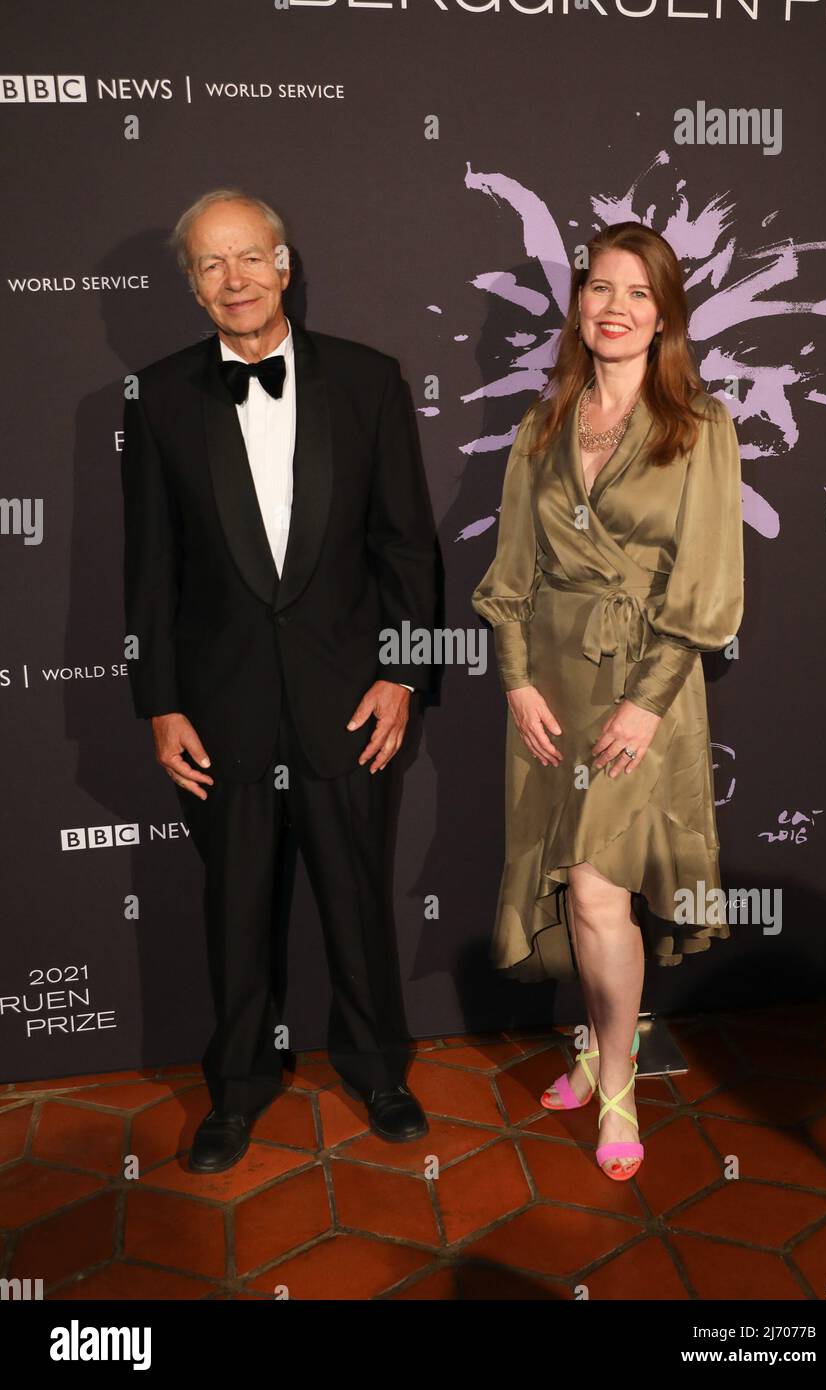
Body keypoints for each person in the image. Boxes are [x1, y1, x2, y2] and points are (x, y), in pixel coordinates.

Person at [120, 188, 437, 1172]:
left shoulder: (367, 379)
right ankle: (240, 1085)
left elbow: (405, 546)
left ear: (284, 266)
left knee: (355, 894)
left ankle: (377, 1066)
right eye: (211, 265)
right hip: (220, 708)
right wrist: (161, 701)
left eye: (249, 258)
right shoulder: (157, 394)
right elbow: (150, 566)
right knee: (236, 906)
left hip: (348, 695)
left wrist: (402, 675)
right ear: (192, 284)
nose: (234, 280)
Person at [471, 222, 744, 1181]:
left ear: (665, 314)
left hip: (644, 688)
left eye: (636, 292)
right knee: (582, 900)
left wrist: (647, 701)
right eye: (598, 288)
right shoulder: (542, 424)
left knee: (597, 890)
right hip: (550, 688)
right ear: (578, 304)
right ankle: (596, 1041)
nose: (613, 307)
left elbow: (708, 586)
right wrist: (514, 678)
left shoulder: (701, 425)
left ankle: (619, 1080)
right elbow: (509, 572)